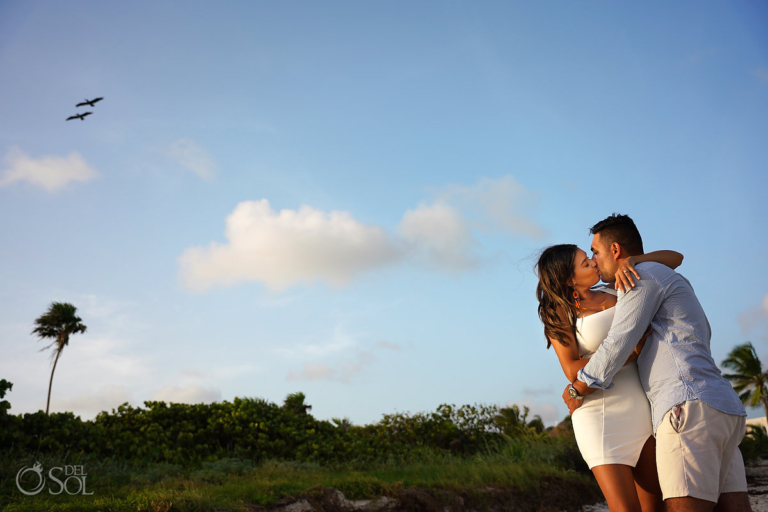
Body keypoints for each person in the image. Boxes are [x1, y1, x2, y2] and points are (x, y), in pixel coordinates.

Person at [566, 214, 750, 512]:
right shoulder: (659, 272)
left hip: (687, 407)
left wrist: (577, 389)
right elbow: (675, 257)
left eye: (596, 252)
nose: (594, 260)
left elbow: (616, 345)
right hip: (723, 406)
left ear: (615, 250)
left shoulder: (637, 278)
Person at [537, 244, 682, 512]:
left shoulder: (616, 285)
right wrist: (631, 350)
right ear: (569, 279)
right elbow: (572, 370)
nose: (593, 262)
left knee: (657, 505)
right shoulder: (559, 312)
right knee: (625, 508)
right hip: (598, 414)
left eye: (590, 257)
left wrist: (633, 260)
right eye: (584, 263)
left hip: (640, 406)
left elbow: (675, 259)